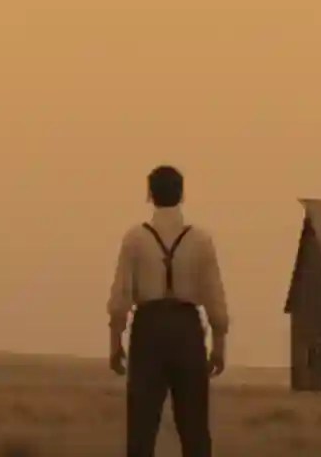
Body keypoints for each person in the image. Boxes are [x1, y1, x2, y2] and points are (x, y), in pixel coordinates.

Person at [106, 165, 229, 457]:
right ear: (182, 194)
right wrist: (219, 346)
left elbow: (121, 295)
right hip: (187, 329)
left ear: (149, 195)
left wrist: (115, 343)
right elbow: (215, 297)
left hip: (148, 328)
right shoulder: (201, 240)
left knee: (142, 424)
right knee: (194, 426)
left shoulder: (135, 238)